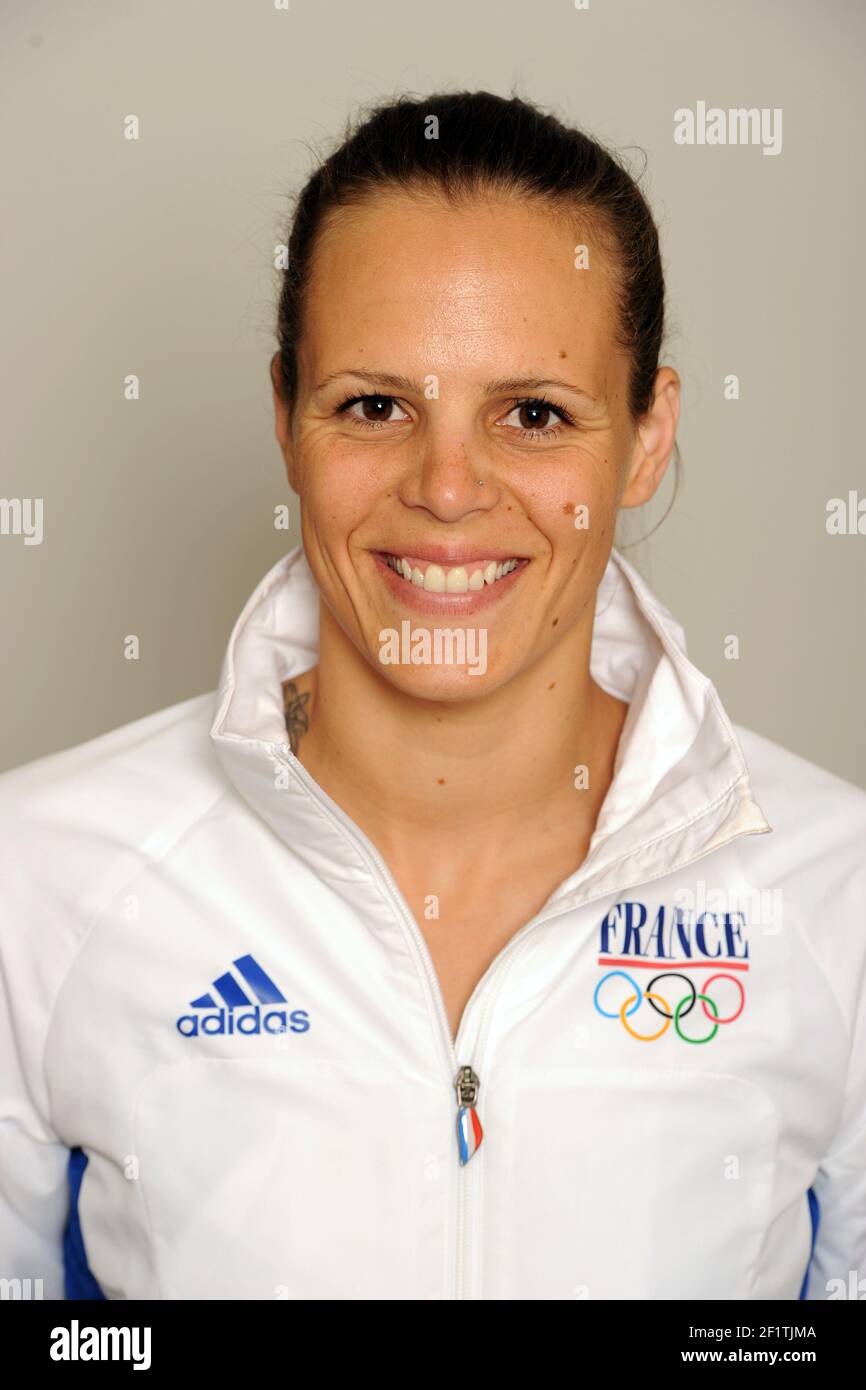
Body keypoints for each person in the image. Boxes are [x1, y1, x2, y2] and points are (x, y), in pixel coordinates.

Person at [1, 90, 864, 1302]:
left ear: (647, 434)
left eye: (531, 413)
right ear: (285, 419)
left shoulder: (835, 890)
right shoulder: (38, 875)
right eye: (372, 404)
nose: (448, 489)